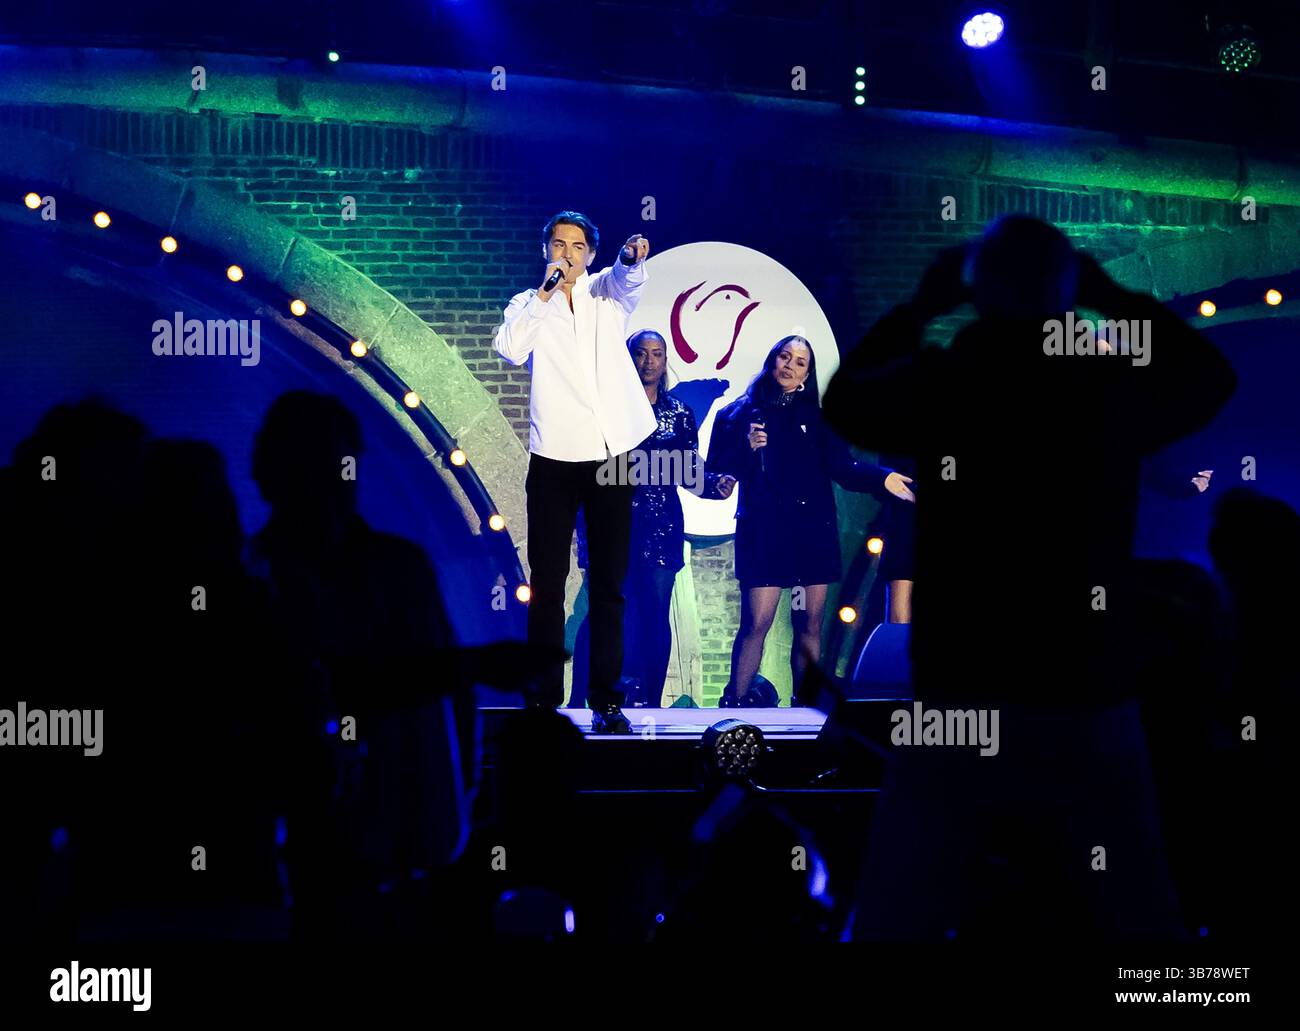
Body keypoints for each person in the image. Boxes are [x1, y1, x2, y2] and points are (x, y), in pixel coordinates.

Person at [824, 215, 1237, 941]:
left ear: (977, 290)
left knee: (899, 912)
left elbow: (846, 401)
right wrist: (1114, 296)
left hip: (962, 685)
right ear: (1066, 289)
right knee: (1140, 915)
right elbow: (1210, 378)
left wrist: (920, 306)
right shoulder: (1103, 384)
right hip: (1086, 683)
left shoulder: (950, 381)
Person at [493, 211, 655, 733]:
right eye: (559, 244)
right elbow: (511, 349)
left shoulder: (604, 292)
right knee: (548, 580)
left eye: (577, 246)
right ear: (546, 250)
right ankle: (542, 701)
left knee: (608, 580)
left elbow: (628, 278)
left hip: (610, 453)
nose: (567, 253)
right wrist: (544, 294)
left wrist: (630, 258)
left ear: (589, 253)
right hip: (555, 458)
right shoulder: (527, 303)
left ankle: (607, 699)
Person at [705, 335, 915, 706]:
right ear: (772, 360)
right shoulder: (736, 415)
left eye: (800, 362)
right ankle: (734, 704)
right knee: (756, 624)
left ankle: (806, 707)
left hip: (810, 536)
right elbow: (718, 475)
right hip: (765, 534)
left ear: (806, 375)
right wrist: (745, 451)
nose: (789, 365)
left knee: (809, 624)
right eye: (785, 357)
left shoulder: (817, 421)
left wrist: (882, 477)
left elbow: (843, 468)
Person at [621, 329, 736, 707]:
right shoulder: (610, 407)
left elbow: (689, 472)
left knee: (655, 611)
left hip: (662, 524)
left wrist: (713, 485)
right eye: (641, 353)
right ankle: (613, 695)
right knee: (617, 611)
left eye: (656, 354)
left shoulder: (680, 413)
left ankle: (651, 699)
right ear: (630, 357)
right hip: (617, 521)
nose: (649, 361)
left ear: (664, 360)